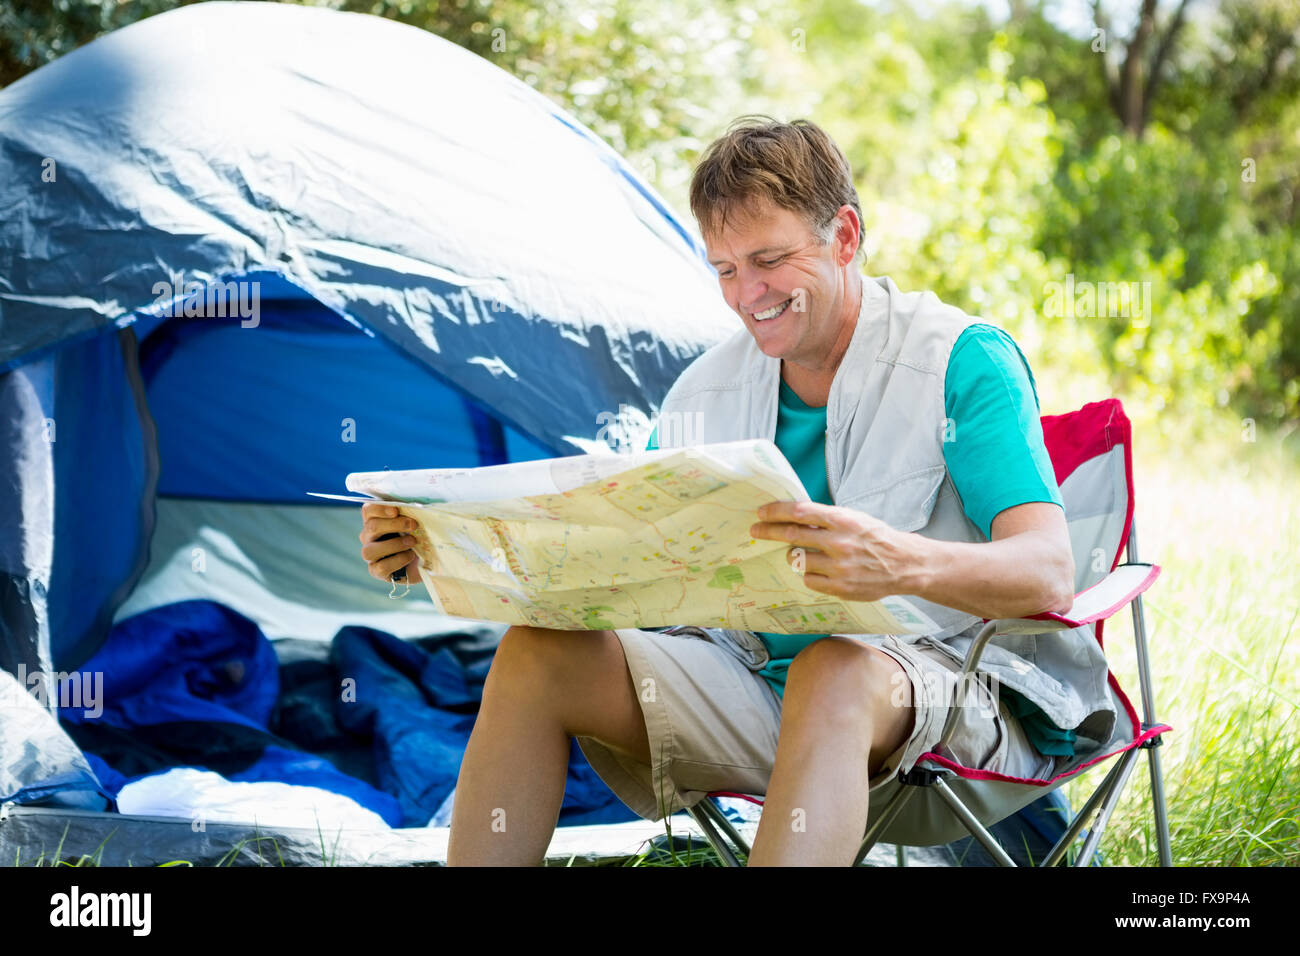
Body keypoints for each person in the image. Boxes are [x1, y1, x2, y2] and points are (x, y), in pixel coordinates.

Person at [359, 117, 1103, 867]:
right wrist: (445, 549)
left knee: (833, 668)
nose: (748, 296)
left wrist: (902, 564)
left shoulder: (962, 360)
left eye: (770, 260)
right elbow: (618, 563)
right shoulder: (705, 389)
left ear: (844, 236)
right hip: (754, 686)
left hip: (953, 690)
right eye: (724, 269)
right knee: (534, 658)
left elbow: (1048, 572)